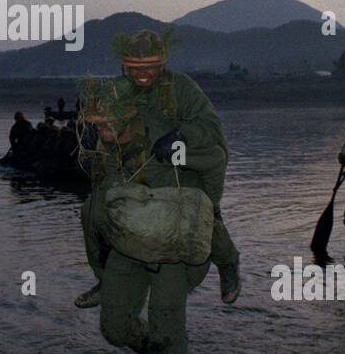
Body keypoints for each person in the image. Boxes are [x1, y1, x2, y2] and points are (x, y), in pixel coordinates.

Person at [76, 28, 240, 310]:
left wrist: (181, 134)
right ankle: (104, 279)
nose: (143, 74)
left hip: (174, 162)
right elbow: (96, 116)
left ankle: (228, 264)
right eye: (135, 67)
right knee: (92, 210)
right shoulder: (116, 89)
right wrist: (93, 131)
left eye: (151, 67)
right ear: (124, 64)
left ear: (163, 63)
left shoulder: (181, 87)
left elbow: (211, 127)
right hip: (130, 166)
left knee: (202, 212)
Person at [77, 75, 212, 354]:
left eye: (108, 122)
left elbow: (207, 181)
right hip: (128, 249)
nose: (101, 129)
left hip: (170, 253)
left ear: (127, 115)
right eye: (97, 124)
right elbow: (97, 215)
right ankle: (156, 348)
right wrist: (102, 269)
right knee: (115, 329)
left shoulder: (163, 139)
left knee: (168, 335)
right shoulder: (102, 151)